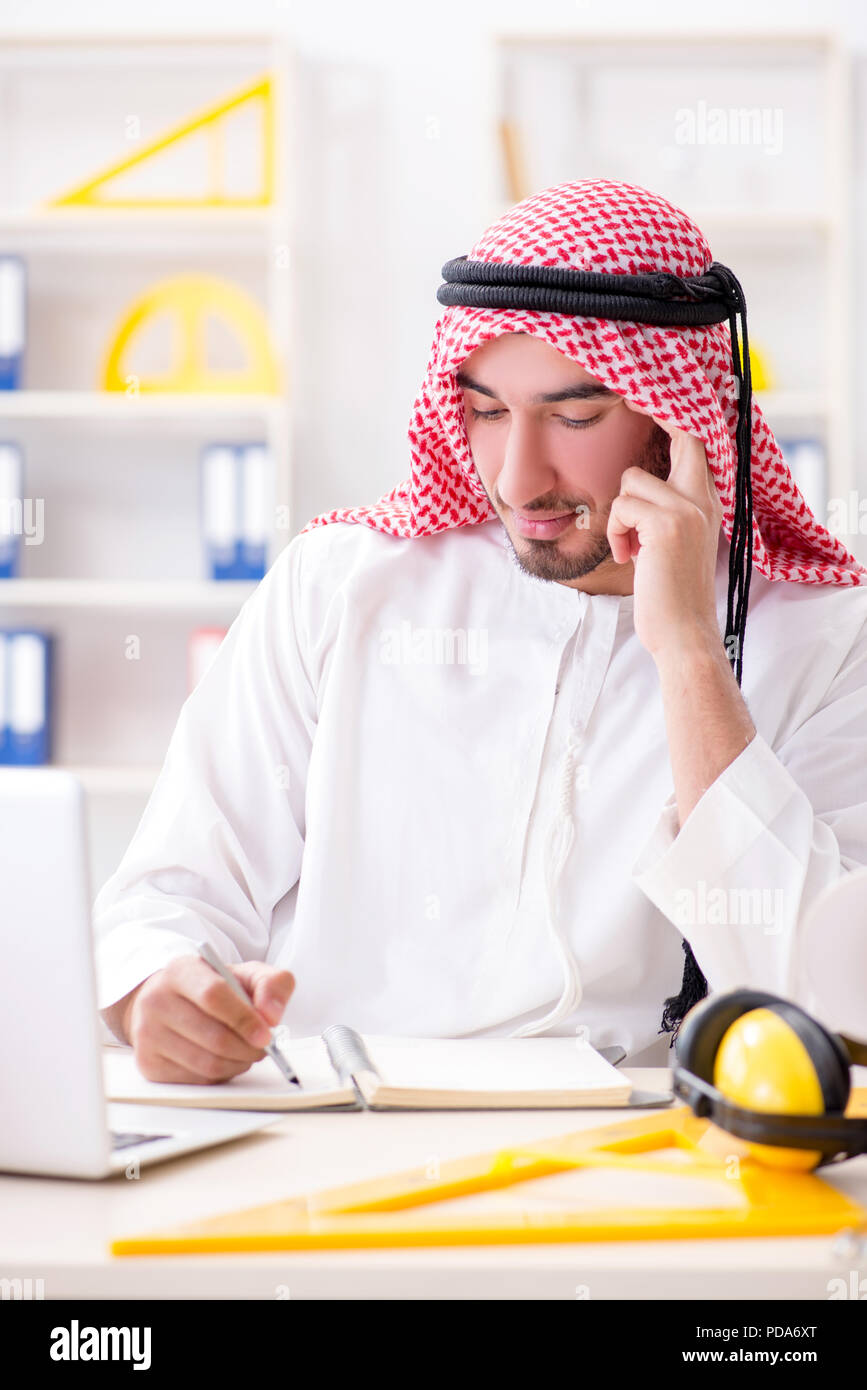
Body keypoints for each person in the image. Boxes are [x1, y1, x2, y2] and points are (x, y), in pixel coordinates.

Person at [95, 179, 867, 1084]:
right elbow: (166, 895)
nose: (514, 477)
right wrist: (158, 991)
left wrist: (691, 653)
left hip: (634, 1170)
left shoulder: (823, 638)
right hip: (333, 1140)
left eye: (574, 416)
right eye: (486, 411)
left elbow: (828, 1010)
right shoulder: (340, 587)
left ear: (681, 416)